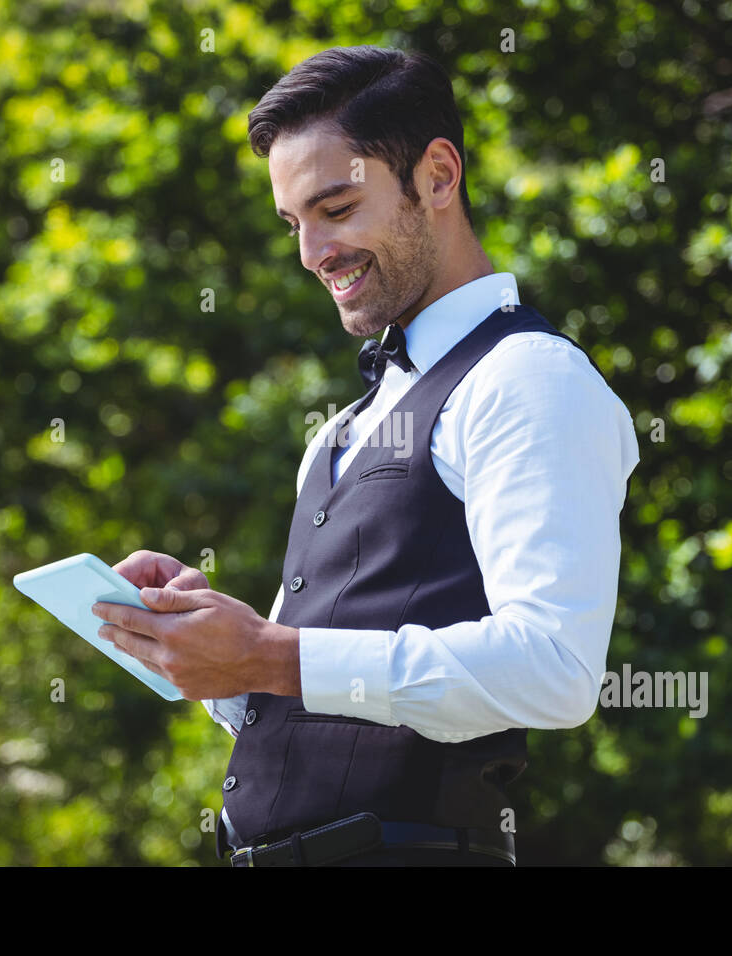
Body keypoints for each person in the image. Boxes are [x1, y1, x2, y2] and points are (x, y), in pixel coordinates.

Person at [92, 45, 640, 866]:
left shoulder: (529, 379)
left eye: (338, 208)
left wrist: (272, 655)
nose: (312, 253)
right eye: (294, 224)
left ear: (440, 177)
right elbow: (302, 685)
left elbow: (555, 669)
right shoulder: (341, 429)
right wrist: (204, 646)